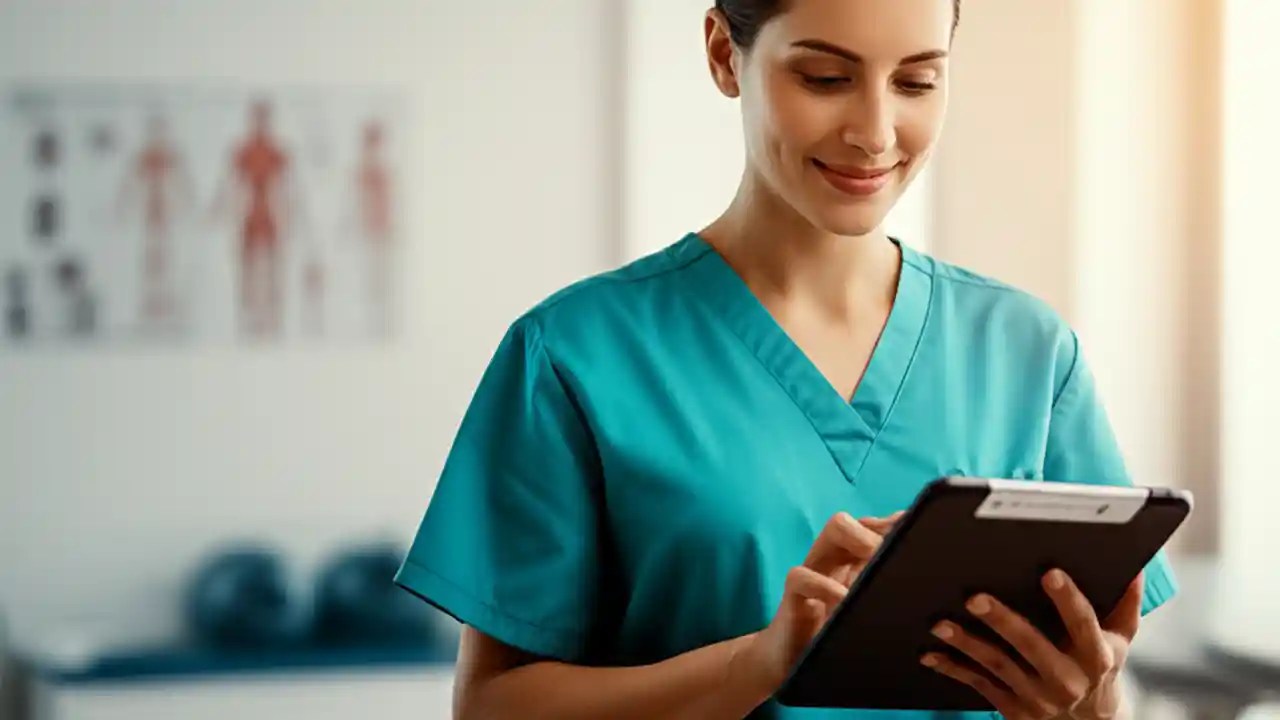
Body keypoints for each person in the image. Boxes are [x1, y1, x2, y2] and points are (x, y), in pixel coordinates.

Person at [393, 1, 1177, 718]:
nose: (875, 131)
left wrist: (1092, 704)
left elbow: (1104, 682)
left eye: (917, 81)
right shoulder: (573, 357)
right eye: (826, 77)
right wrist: (755, 665)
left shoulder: (1028, 355)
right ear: (724, 54)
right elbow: (491, 707)